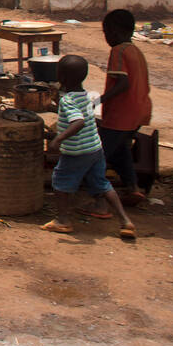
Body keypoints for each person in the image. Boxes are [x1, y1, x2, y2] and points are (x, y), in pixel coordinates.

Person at [42, 55, 136, 238]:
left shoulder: (68, 100)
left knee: (60, 181)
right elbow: (76, 114)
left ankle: (63, 220)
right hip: (95, 148)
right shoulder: (84, 95)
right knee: (102, 183)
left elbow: (78, 122)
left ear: (62, 77)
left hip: (77, 152)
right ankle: (125, 221)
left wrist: (57, 140)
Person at [97, 9, 153, 207]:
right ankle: (133, 189)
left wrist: (99, 100)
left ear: (113, 31)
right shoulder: (136, 51)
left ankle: (99, 202)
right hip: (140, 112)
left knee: (98, 155)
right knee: (121, 151)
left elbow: (123, 83)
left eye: (106, 32)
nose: (106, 37)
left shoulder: (118, 51)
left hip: (121, 115)